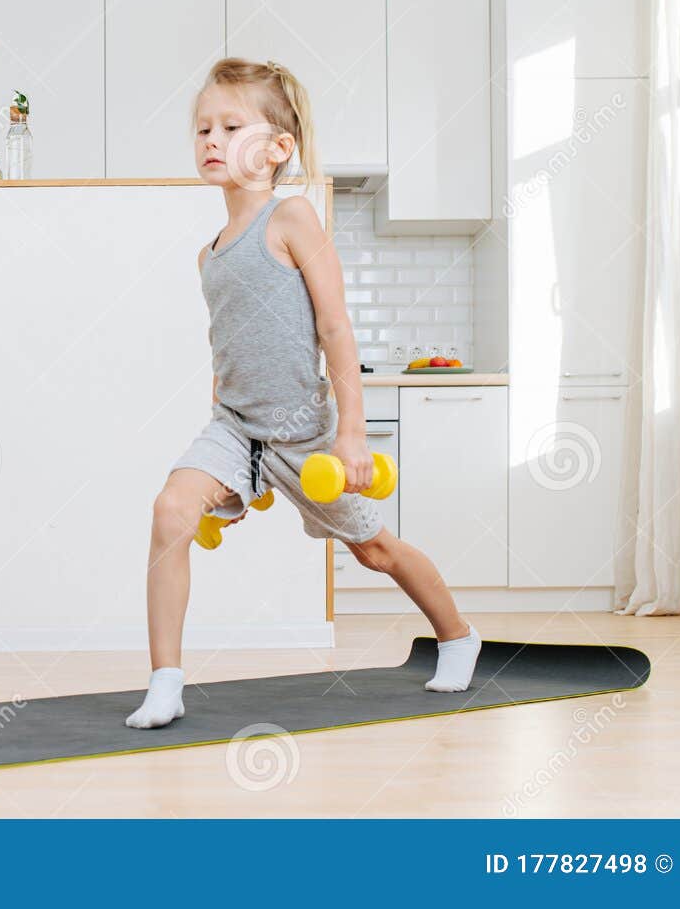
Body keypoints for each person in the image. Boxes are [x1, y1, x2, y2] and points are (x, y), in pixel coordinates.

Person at [126, 58, 482, 731]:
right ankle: (166, 682)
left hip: (304, 432)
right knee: (171, 509)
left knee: (375, 550)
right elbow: (223, 345)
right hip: (234, 427)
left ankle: (458, 634)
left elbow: (335, 326)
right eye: (202, 126)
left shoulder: (292, 219)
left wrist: (352, 432)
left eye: (231, 125)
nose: (209, 137)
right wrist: (221, 448)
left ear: (278, 148)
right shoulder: (208, 254)